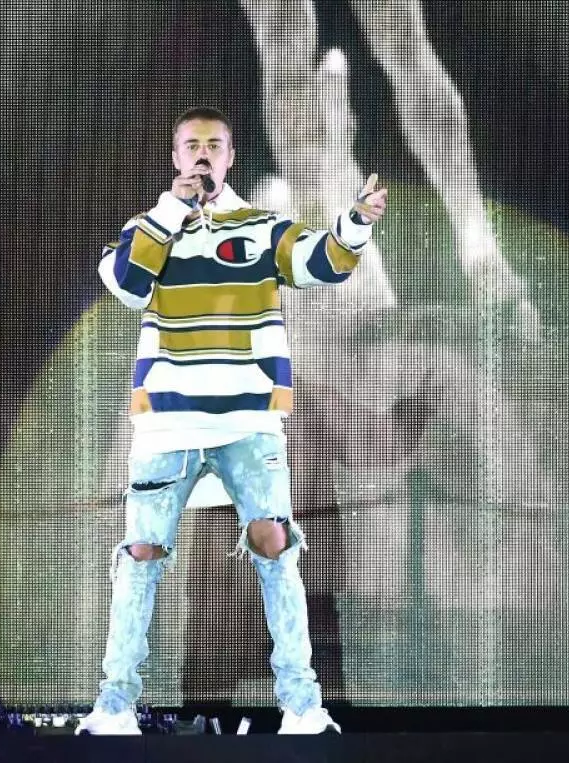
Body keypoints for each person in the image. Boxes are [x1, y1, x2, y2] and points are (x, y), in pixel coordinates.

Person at [74, 106, 387, 735]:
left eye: (214, 146)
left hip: (250, 423)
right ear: (175, 157)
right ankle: (114, 707)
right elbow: (129, 283)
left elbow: (321, 262)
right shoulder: (146, 228)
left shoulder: (263, 226)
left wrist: (353, 225)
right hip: (168, 426)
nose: (202, 156)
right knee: (141, 556)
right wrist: (171, 212)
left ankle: (301, 706)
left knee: (278, 551)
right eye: (190, 145)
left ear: (230, 157)